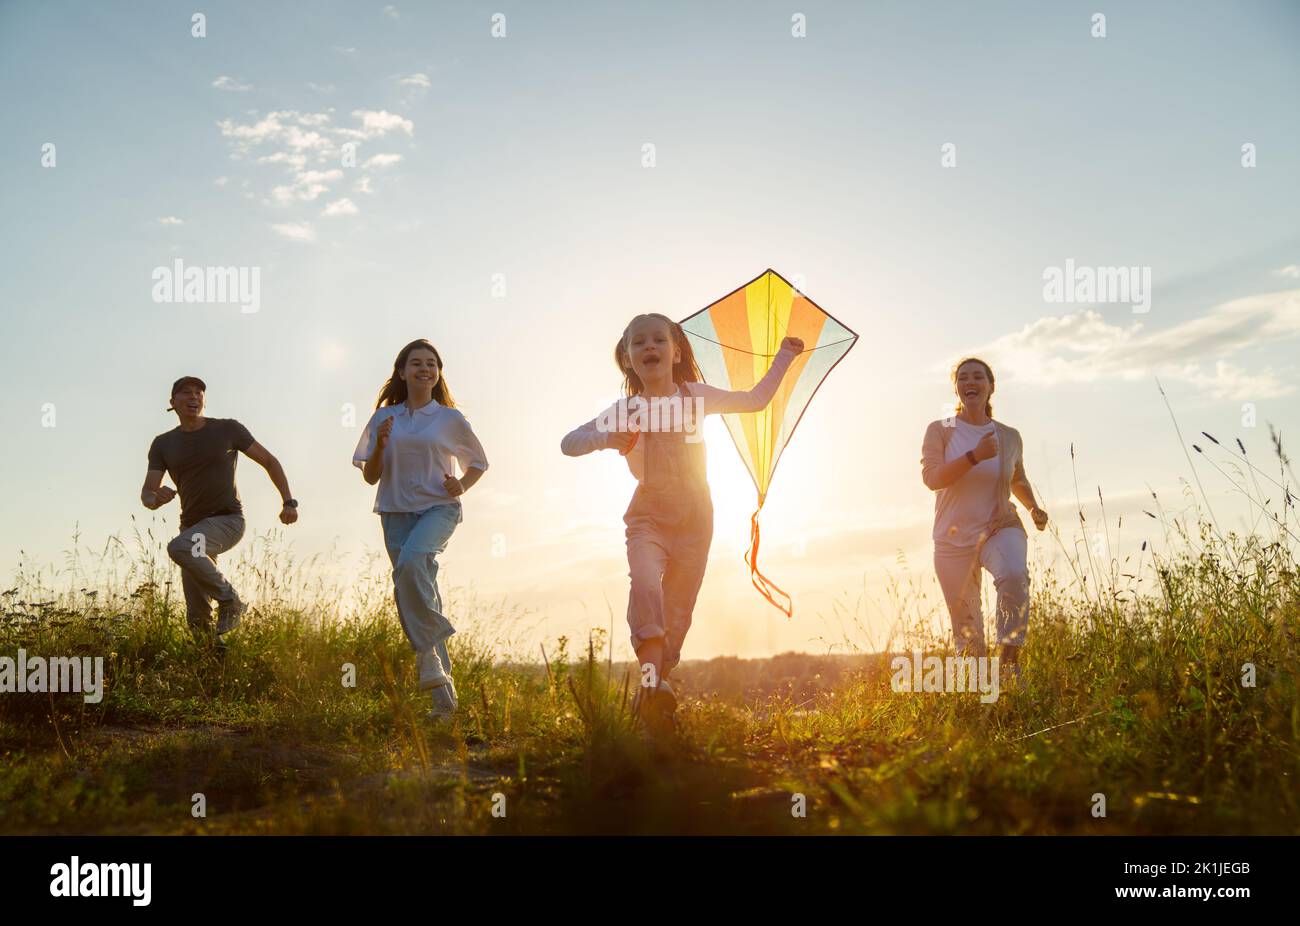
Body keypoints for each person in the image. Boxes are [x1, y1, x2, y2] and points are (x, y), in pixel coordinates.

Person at [562, 312, 803, 735]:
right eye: (639, 342)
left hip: (695, 519)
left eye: (659, 339)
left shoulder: (696, 397)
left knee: (677, 609)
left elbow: (754, 400)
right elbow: (569, 443)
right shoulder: (627, 409)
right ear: (628, 358)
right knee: (645, 584)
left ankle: (654, 689)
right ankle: (652, 685)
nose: (649, 347)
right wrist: (606, 438)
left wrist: (784, 356)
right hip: (648, 516)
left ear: (676, 353)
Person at [352, 340, 489, 720]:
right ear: (402, 371)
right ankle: (444, 703)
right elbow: (370, 476)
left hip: (438, 508)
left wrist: (461, 485)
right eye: (416, 363)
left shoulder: (450, 418)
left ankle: (427, 655)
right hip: (395, 511)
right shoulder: (384, 418)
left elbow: (478, 463)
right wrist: (380, 446)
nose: (424, 368)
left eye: (431, 363)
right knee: (417, 591)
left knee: (411, 566)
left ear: (438, 373)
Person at [141, 376, 298, 641]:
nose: (194, 396)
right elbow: (147, 493)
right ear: (172, 402)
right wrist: (156, 498)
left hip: (227, 521)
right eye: (186, 392)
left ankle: (230, 600)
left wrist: (288, 502)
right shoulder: (163, 443)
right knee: (197, 613)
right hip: (193, 529)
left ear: (204, 400)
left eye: (199, 392)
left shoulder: (228, 429)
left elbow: (269, 461)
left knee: (180, 547)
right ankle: (213, 659)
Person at [920, 357, 1047, 679]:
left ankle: (1009, 663)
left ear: (991, 387)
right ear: (956, 389)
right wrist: (974, 456)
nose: (970, 382)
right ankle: (981, 692)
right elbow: (932, 478)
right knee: (968, 634)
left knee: (1014, 575)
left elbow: (1017, 478)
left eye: (978, 377)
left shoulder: (1008, 436)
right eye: (963, 378)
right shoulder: (941, 429)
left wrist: (1032, 507)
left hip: (999, 526)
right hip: (951, 538)